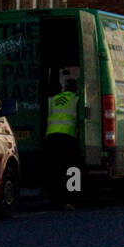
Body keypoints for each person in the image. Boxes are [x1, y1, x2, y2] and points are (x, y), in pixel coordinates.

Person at [44, 75, 80, 206]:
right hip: (68, 137)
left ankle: (56, 197)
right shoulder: (76, 100)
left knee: (56, 169)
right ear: (75, 89)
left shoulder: (53, 100)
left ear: (64, 88)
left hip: (52, 137)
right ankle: (71, 198)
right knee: (72, 169)